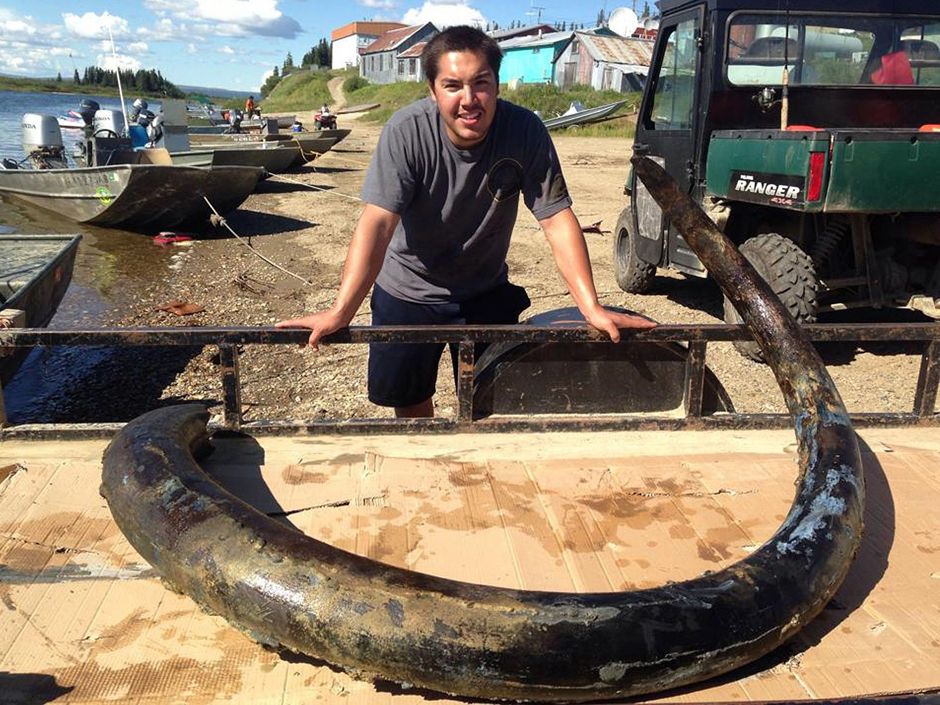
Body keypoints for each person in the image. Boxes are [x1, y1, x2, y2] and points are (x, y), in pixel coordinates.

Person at [277, 25, 655, 418]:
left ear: (497, 84)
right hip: (408, 290)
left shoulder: (524, 130)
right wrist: (342, 311)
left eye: (481, 83)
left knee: (491, 400)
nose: (469, 100)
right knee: (410, 403)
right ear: (432, 89)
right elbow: (378, 223)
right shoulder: (406, 132)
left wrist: (589, 306)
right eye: (452, 85)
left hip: (484, 290)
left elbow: (556, 219)